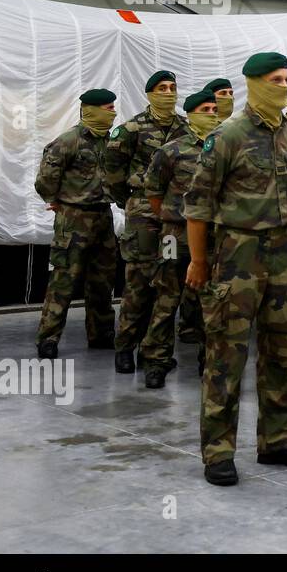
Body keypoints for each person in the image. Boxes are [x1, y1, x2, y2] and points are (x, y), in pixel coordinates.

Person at [184, 52, 287, 487]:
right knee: (226, 356)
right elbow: (198, 206)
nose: (284, 86)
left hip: (282, 255)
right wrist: (200, 263)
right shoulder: (228, 135)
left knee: (284, 351)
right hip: (236, 256)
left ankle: (277, 440)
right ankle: (218, 452)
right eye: (276, 80)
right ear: (255, 83)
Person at [105, 70, 188, 374]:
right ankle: (125, 347)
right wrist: (125, 198)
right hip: (142, 212)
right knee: (138, 282)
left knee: (167, 281)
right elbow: (112, 166)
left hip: (172, 215)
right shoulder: (132, 128)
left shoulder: (184, 126)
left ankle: (156, 353)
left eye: (172, 87)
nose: (168, 92)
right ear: (150, 94)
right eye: (162, 88)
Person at [34, 88, 120, 358]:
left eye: (113, 107)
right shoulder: (68, 141)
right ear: (90, 110)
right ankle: (48, 339)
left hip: (102, 216)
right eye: (107, 108)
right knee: (63, 280)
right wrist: (56, 200)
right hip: (73, 219)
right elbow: (45, 178)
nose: (113, 113)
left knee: (102, 281)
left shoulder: (111, 142)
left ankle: (101, 335)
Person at [141, 90, 218, 386]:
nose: (211, 113)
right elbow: (153, 190)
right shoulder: (172, 150)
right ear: (191, 114)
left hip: (213, 236)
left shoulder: (223, 147)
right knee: (167, 296)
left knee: (209, 302)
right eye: (205, 109)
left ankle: (208, 361)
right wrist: (173, 217)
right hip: (175, 233)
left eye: (214, 108)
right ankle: (156, 361)